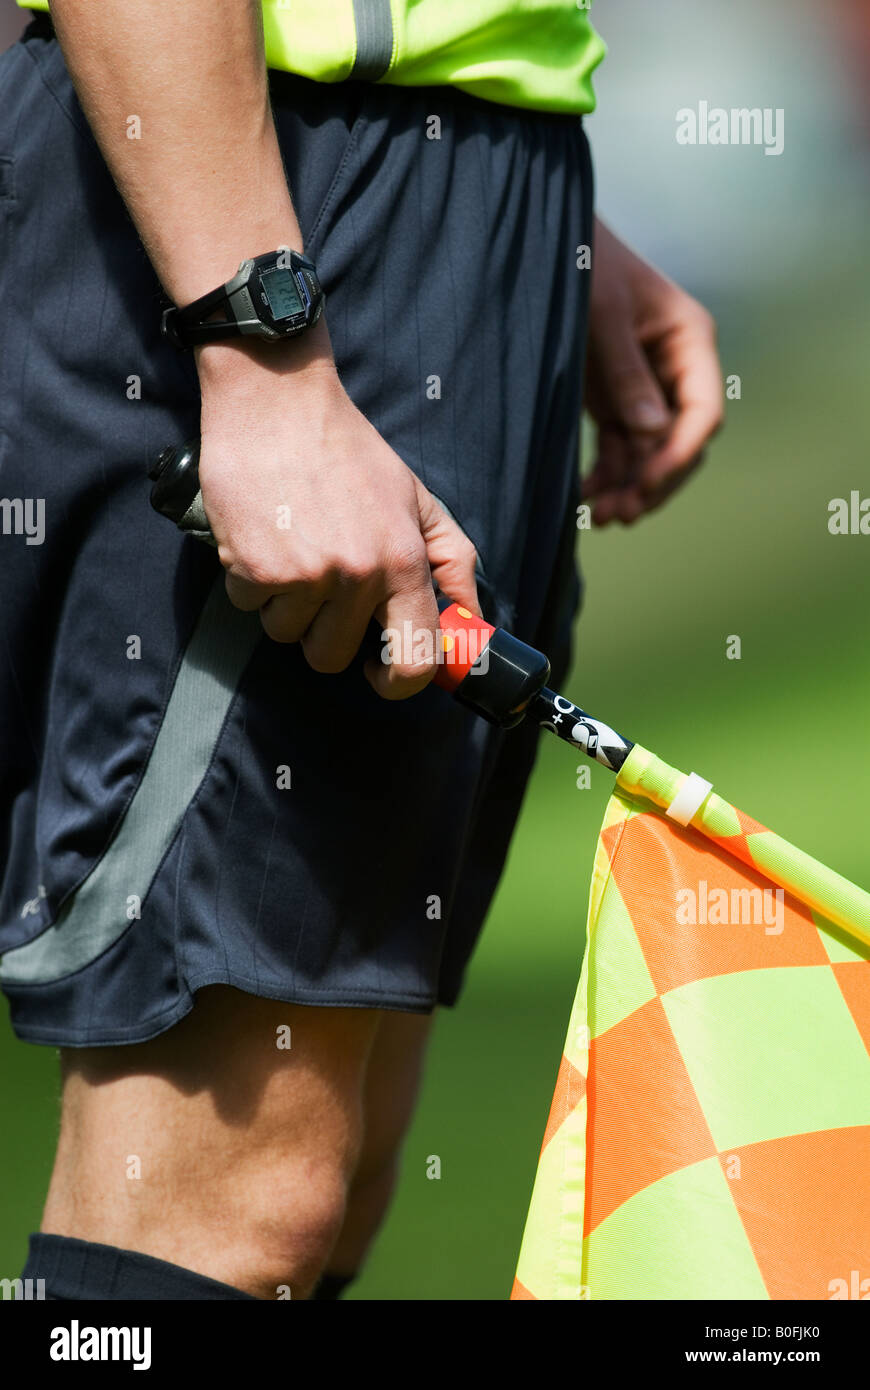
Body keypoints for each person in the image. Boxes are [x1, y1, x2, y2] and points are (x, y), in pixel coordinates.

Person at [0, 0, 722, 1301]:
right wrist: (258, 343)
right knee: (232, 1201)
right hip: (267, 236)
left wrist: (534, 207)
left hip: (433, 201)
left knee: (332, 1183)